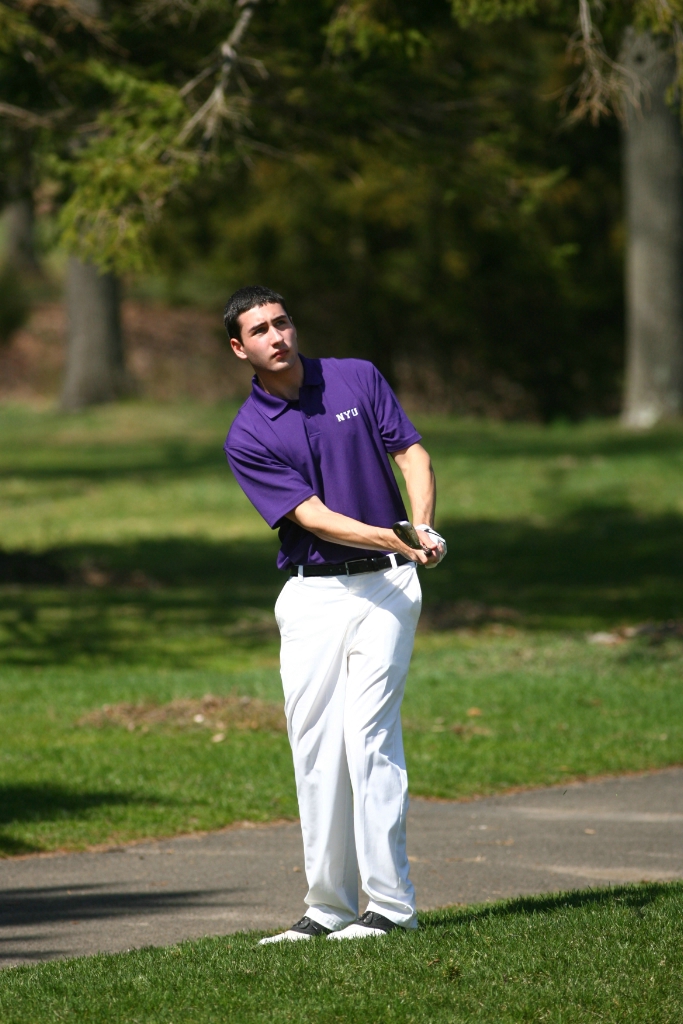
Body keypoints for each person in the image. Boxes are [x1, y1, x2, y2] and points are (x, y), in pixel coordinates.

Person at [223, 285, 446, 943]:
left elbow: (411, 453)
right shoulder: (247, 434)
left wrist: (420, 526)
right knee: (316, 747)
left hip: (386, 590)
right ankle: (327, 908)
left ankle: (390, 908)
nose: (276, 336)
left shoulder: (356, 377)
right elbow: (312, 517)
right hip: (312, 596)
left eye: (282, 322)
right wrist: (395, 537)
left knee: (368, 736)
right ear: (239, 348)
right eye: (259, 330)